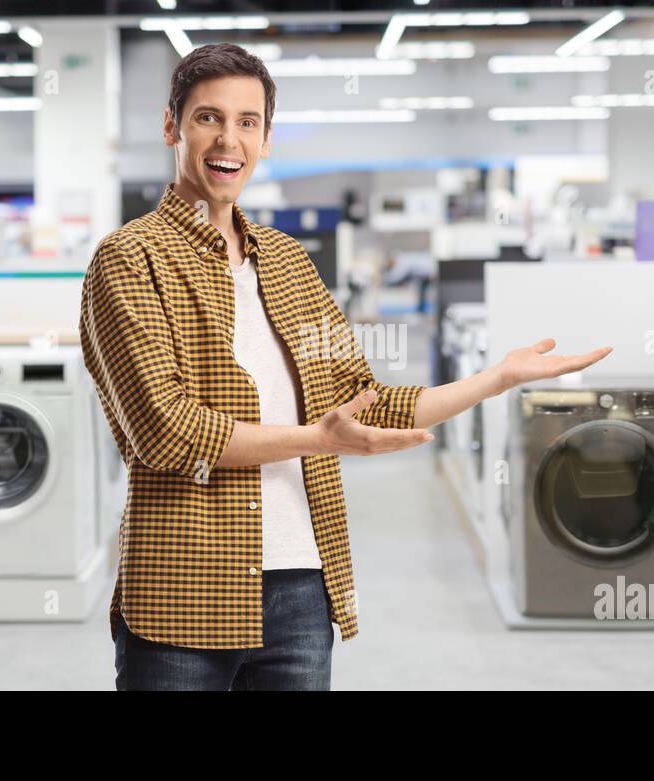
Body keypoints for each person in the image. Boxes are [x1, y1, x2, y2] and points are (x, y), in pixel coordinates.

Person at [78, 43, 612, 691]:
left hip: (300, 589)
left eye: (248, 122)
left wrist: (494, 378)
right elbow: (165, 432)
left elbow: (366, 400)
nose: (229, 139)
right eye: (208, 118)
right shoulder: (130, 260)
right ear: (172, 127)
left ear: (267, 138)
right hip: (185, 595)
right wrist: (317, 439)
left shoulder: (287, 261)